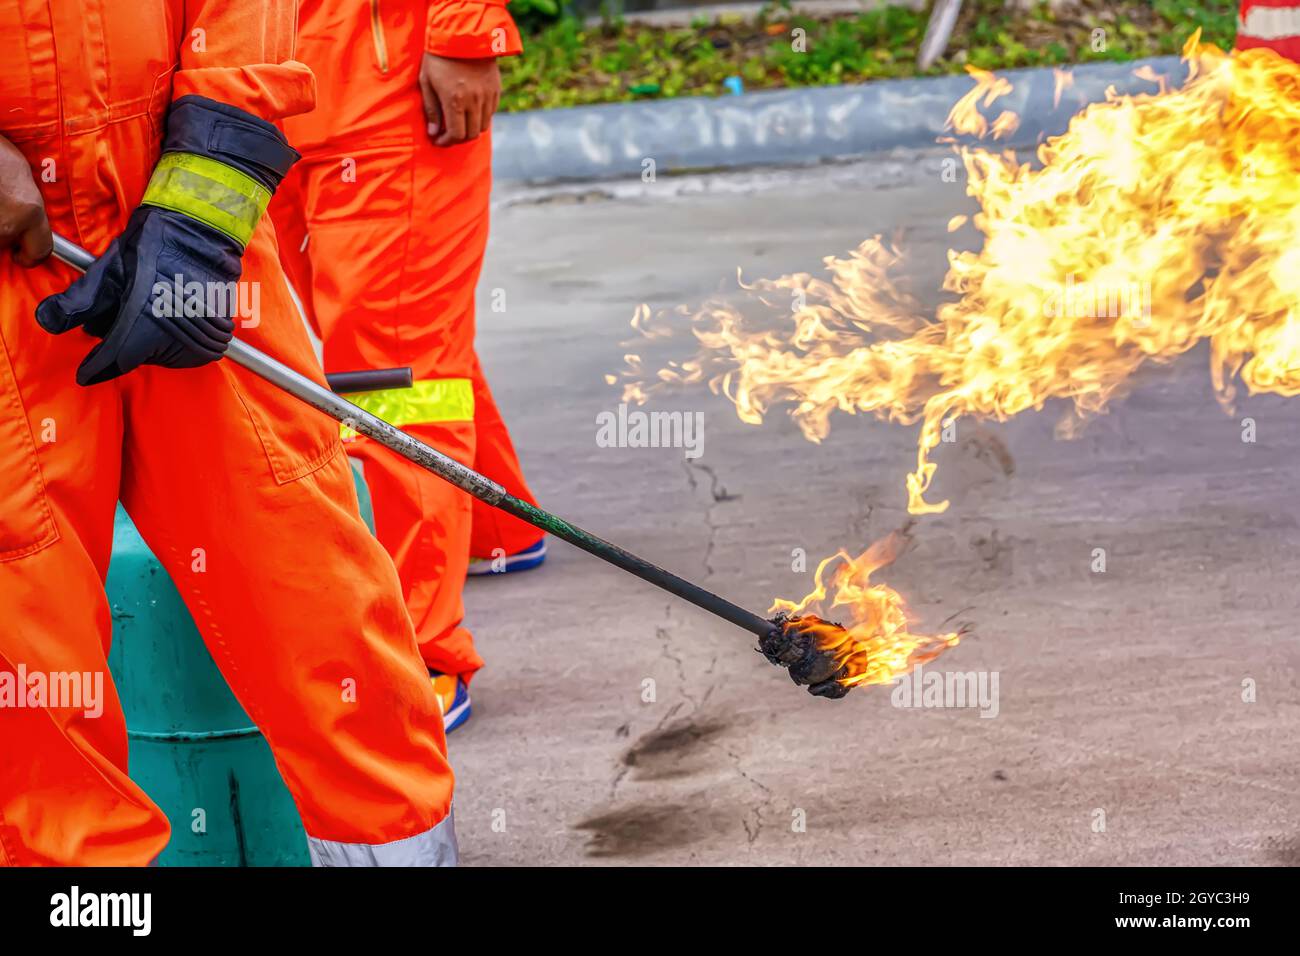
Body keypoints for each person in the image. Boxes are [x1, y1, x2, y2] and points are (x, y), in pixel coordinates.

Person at [0, 0, 456, 866]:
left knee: (306, 576)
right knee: (24, 641)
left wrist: (203, 207)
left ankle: (396, 849)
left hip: (178, 206)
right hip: (11, 246)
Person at [272, 0, 546, 733]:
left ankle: (419, 647)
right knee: (398, 339)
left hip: (384, 85)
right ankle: (497, 525)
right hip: (275, 87)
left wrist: (464, 29)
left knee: (393, 374)